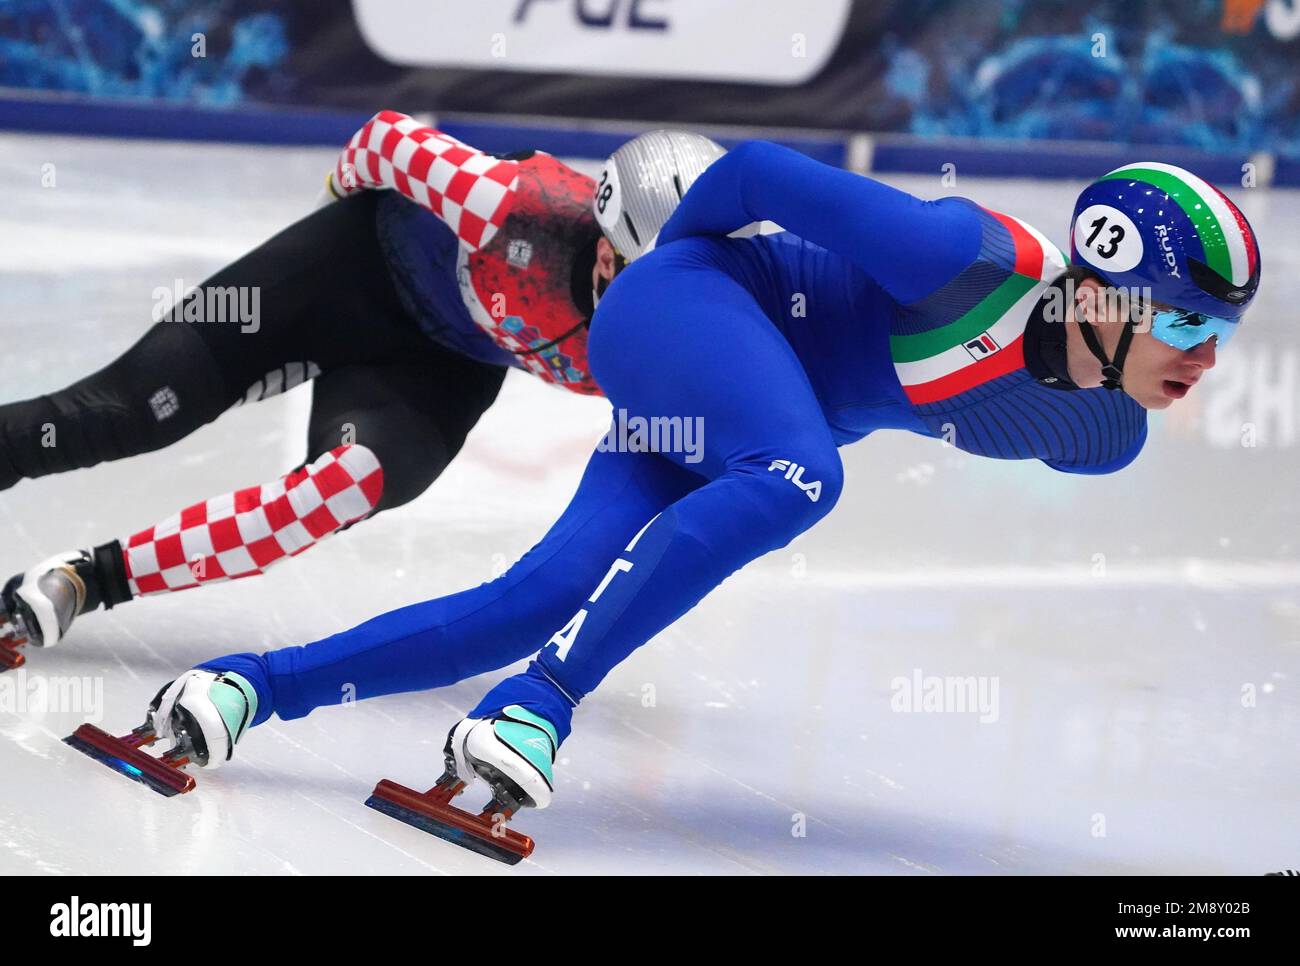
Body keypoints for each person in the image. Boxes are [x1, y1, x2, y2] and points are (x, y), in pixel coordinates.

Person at [130, 152, 1261, 819]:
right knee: (802, 475)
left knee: (540, 594)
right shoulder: (961, 259)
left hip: (724, 413)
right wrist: (663, 282)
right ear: (1105, 288)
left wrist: (748, 403)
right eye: (1188, 322)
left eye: (1222, 333)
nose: (1206, 359)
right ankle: (539, 706)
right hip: (685, 305)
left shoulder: (1095, 432)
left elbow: (885, 390)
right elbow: (757, 175)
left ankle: (243, 690)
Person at [0, 113, 725, 669]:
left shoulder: (676, 341)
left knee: (339, 491)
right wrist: (320, 233)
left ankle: (85, 580)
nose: (654, 308)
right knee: (128, 411)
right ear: (604, 240)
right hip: (346, 273)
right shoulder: (508, 204)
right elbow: (385, 139)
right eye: (638, 276)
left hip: (439, 367)